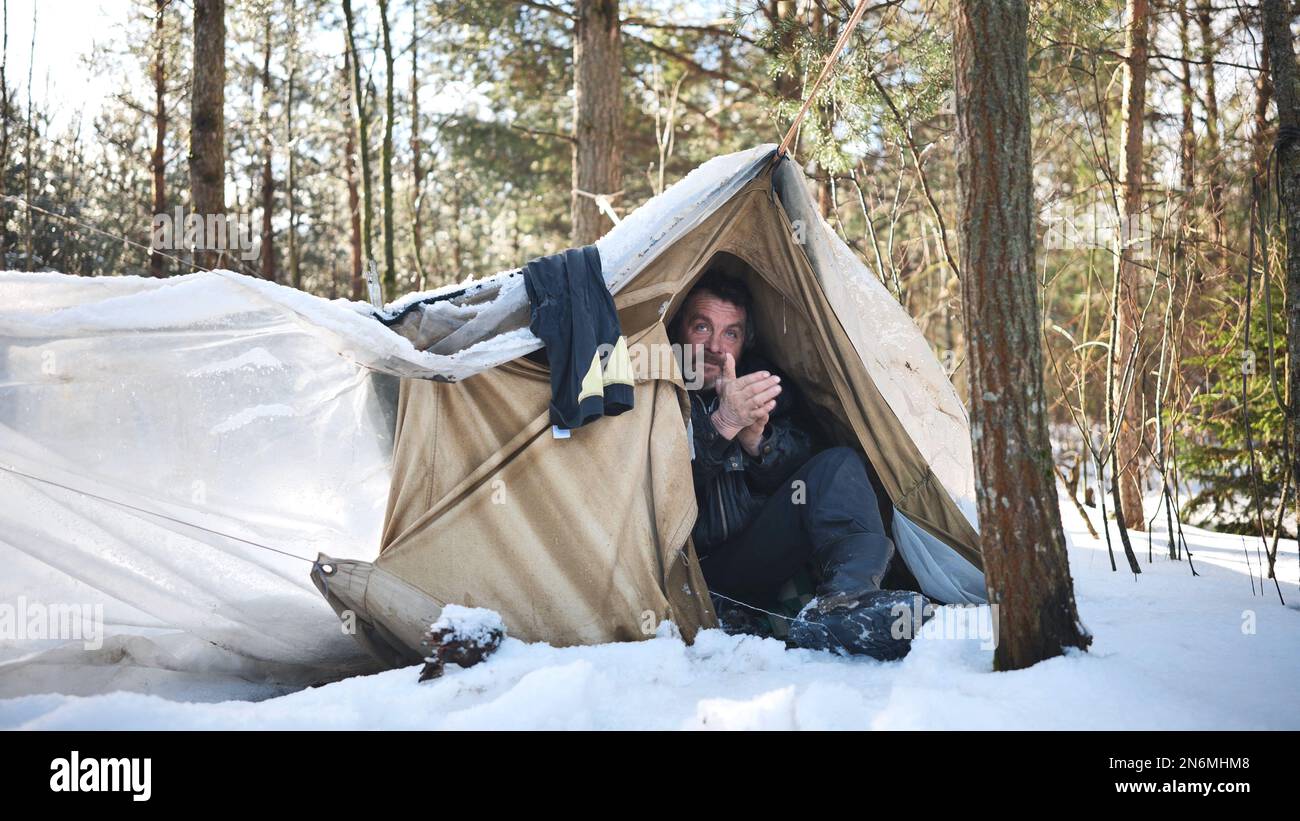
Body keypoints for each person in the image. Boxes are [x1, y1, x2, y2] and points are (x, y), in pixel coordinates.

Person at [672, 271, 928, 660]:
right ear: (678, 330)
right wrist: (721, 426)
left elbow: (808, 472)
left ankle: (847, 604)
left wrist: (758, 441)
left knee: (838, 464)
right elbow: (659, 493)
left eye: (731, 334)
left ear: (746, 342)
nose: (715, 348)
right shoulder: (655, 395)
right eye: (702, 327)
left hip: (758, 554)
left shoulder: (766, 387)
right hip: (694, 573)